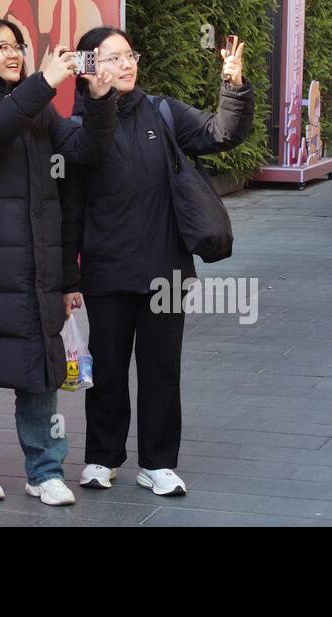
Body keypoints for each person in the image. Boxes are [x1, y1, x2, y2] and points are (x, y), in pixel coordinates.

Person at [60, 27, 254, 497]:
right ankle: (102, 458)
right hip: (106, 273)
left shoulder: (161, 111)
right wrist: (68, 278)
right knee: (105, 369)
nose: (127, 65)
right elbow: (70, 212)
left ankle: (158, 463)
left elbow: (220, 133)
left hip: (165, 270)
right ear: (88, 68)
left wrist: (233, 87)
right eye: (114, 58)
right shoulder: (76, 131)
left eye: (130, 55)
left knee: (161, 368)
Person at [0, 17, 116, 507]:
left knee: (40, 372)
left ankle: (44, 470)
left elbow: (85, 149)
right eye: (0, 47)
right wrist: (43, 83)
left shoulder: (37, 111)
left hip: (35, 266)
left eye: (17, 45)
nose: (13, 54)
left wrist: (99, 100)